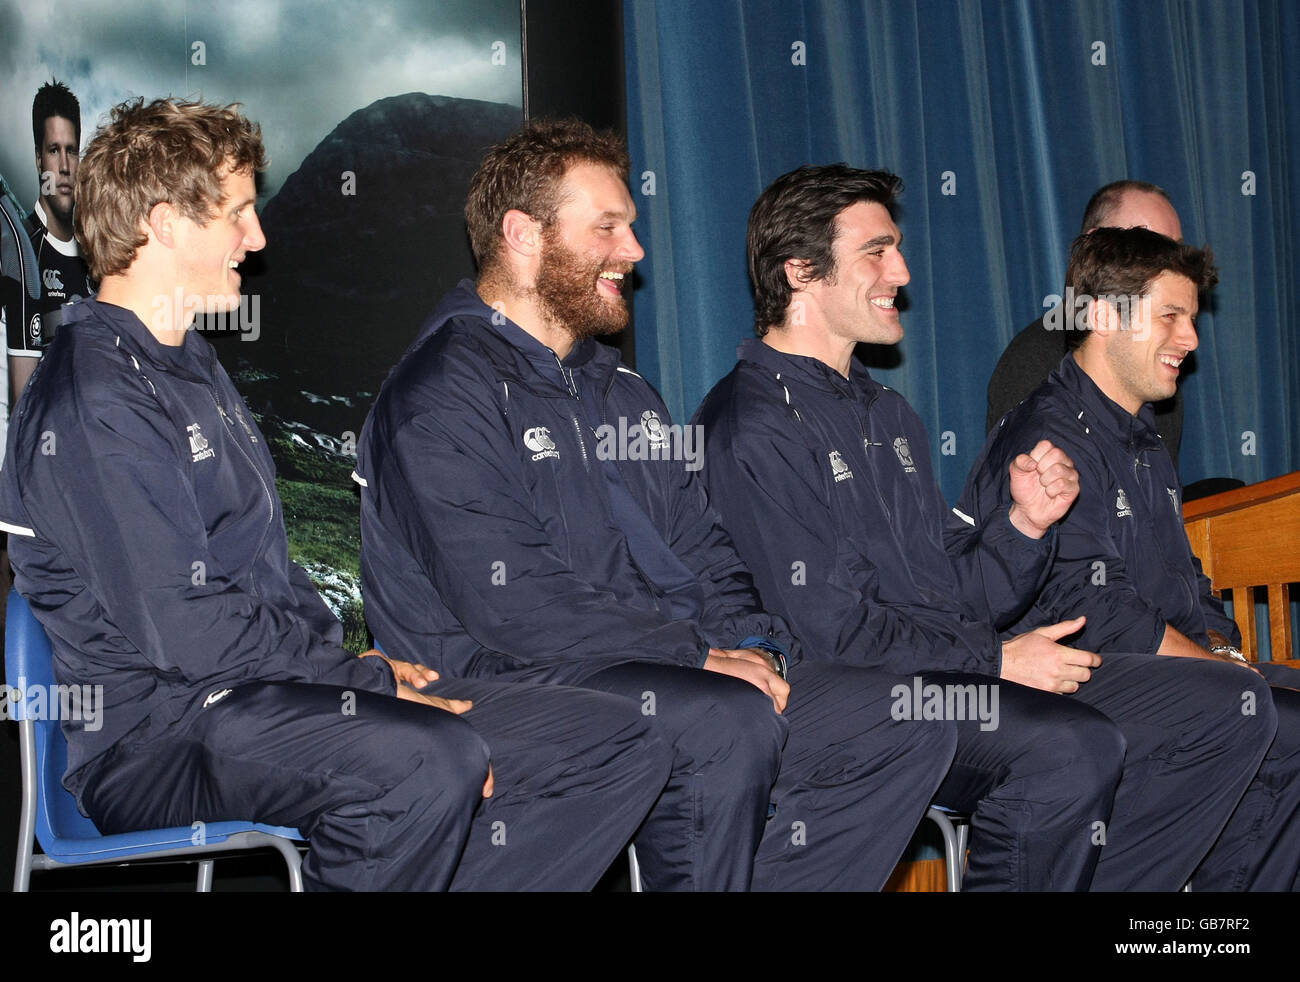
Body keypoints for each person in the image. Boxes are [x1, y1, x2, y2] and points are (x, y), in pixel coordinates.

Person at [0, 97, 671, 892]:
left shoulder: (189, 367)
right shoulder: (94, 396)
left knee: (617, 739)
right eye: (239, 212)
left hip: (257, 700)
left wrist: (355, 671)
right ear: (165, 223)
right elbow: (185, 629)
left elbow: (264, 586)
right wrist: (363, 686)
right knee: (428, 760)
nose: (257, 238)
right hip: (157, 738)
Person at [355, 119, 957, 891]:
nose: (635, 251)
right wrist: (695, 656)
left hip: (656, 669)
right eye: (607, 227)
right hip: (505, 681)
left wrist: (755, 645)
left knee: (905, 717)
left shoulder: (624, 394)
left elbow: (706, 550)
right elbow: (515, 606)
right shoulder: (441, 393)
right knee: (722, 719)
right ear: (523, 236)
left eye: (632, 228)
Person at [694, 164, 1275, 891]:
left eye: (897, 248)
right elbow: (829, 633)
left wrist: (1023, 528)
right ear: (801, 271)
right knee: (1072, 748)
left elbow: (954, 593)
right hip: (844, 698)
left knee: (1206, 714)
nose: (902, 271)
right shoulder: (751, 424)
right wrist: (994, 661)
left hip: (937, 677)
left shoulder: (887, 415)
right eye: (877, 251)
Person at [963, 225, 1300, 890]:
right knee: (1246, 705)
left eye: (1192, 319)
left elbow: (1186, 584)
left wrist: (1228, 654)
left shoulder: (1141, 436)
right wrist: (1226, 673)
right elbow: (1097, 610)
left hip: (1157, 674)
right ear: (1100, 318)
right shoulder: (1051, 434)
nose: (1191, 339)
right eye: (1170, 316)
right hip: (1067, 680)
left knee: (1274, 700)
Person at [986, 180, 1183, 467]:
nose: (1172, 269)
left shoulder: (1160, 361)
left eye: (1175, 252)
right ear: (1095, 247)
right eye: (1149, 248)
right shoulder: (1036, 358)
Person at [5, 80, 95, 407]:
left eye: (72, 151)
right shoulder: (18, 254)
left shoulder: (99, 258)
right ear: (38, 160)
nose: (65, 167)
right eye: (54, 150)